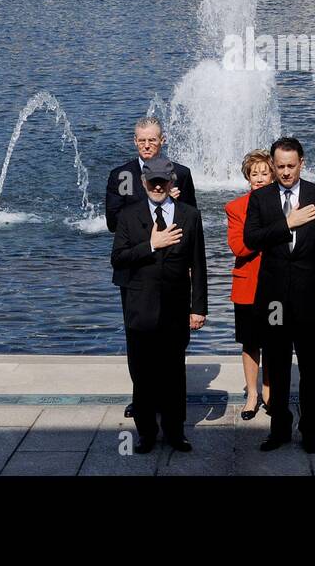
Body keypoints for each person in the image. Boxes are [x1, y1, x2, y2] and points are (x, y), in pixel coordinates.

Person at [243, 136, 315, 454]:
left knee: (311, 367)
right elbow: (252, 239)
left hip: (309, 295)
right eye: (280, 166)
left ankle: (309, 430)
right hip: (272, 298)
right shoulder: (262, 198)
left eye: (291, 165)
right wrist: (288, 223)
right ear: (272, 165)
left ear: (302, 162)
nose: (285, 172)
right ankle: (279, 429)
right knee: (278, 363)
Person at [111, 156, 207, 454]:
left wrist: (198, 308)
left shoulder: (190, 215)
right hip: (140, 308)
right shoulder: (129, 216)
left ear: (171, 182)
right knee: (142, 375)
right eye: (151, 181)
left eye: (162, 181)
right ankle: (146, 434)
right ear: (142, 182)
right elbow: (118, 259)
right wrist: (152, 244)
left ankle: (175, 433)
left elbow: (199, 265)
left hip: (175, 309)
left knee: (174, 373)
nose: (156, 186)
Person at [106, 116, 198, 418]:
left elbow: (192, 221)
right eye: (142, 140)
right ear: (135, 141)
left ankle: (169, 399)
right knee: (138, 338)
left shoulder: (180, 174)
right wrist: (152, 207)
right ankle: (142, 396)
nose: (147, 145)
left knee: (171, 338)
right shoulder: (123, 175)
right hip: (134, 271)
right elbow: (112, 221)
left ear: (163, 140)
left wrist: (173, 206)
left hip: (171, 273)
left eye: (152, 140)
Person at [224, 149, 274, 420]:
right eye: (254, 173)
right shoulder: (235, 208)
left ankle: (269, 392)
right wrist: (269, 235)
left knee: (274, 341)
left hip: (277, 285)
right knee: (250, 342)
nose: (259, 178)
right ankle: (252, 395)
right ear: (247, 177)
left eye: (264, 173)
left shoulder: (284, 204)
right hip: (248, 286)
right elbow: (238, 247)